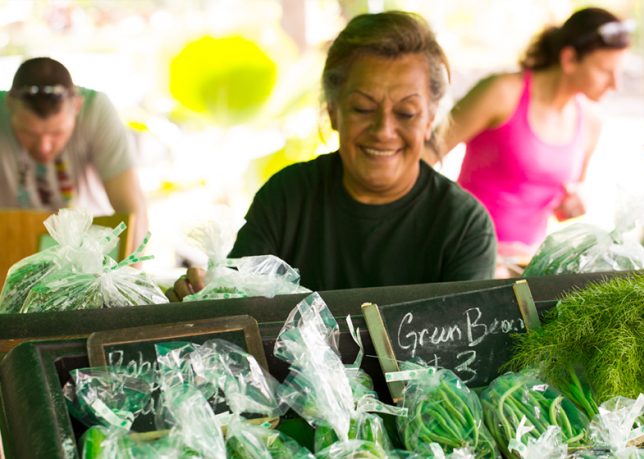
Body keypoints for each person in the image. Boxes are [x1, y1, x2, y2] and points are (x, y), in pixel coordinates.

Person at [169, 10, 496, 298]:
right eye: (363, 108)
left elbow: (464, 354)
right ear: (333, 111)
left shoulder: (464, 225)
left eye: (406, 112)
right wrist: (203, 296)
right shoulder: (286, 197)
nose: (383, 130)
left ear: (430, 119)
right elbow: (235, 304)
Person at [425, 7, 632, 264]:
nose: (615, 84)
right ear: (569, 59)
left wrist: (570, 205)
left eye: (618, 71)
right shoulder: (501, 92)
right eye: (604, 70)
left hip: (527, 261)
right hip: (464, 251)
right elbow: (426, 154)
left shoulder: (592, 121)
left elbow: (557, 202)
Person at [0, 57, 148, 249]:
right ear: (9, 105)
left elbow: (131, 210)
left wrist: (128, 274)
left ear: (77, 106)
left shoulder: (96, 109)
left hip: (88, 249)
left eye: (56, 133)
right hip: (10, 243)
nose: (44, 146)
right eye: (29, 133)